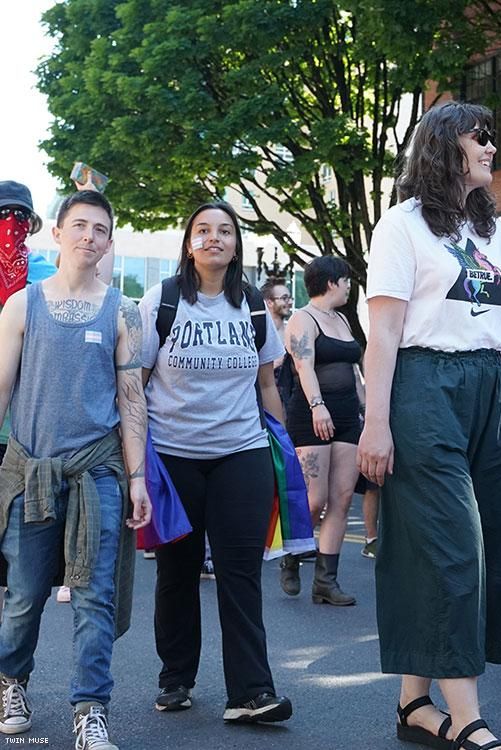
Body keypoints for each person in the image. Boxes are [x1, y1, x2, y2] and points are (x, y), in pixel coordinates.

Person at [357, 101, 501, 750]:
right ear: (443, 147)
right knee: (451, 547)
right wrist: (375, 424)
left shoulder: (492, 230)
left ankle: (413, 703)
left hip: (487, 387)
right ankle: (467, 720)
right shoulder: (401, 227)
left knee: (485, 550)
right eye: (479, 137)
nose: (492, 147)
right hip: (423, 385)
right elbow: (381, 332)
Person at [0, 189, 151, 750]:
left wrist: (138, 478)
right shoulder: (21, 305)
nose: (89, 236)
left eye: (100, 229)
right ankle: (10, 679)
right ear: (57, 234)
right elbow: (1, 388)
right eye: (79, 225)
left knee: (95, 596)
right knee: (24, 594)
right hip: (31, 472)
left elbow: (131, 397)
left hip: (99, 473)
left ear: (110, 242)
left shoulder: (124, 311)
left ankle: (91, 709)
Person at [139, 201, 292, 721]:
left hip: (241, 453)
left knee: (240, 573)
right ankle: (176, 679)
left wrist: (286, 457)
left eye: (224, 231)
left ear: (235, 244)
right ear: (188, 243)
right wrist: (132, 461)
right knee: (177, 572)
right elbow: (134, 385)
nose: (213, 238)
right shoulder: (160, 302)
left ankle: (250, 692)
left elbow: (267, 384)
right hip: (173, 456)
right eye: (202, 230)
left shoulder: (251, 305)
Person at [279, 255, 361, 606]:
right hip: (313, 414)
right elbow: (304, 365)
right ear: (331, 282)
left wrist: (369, 411)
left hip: (346, 415)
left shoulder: (342, 319)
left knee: (341, 499)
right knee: (315, 499)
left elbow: (355, 371)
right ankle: (292, 555)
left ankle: (325, 582)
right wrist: (317, 406)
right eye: (346, 280)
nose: (349, 286)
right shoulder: (302, 318)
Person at [0, 181, 56, 466]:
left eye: (20, 215)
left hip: (26, 426)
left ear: (31, 224)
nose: (11, 222)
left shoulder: (45, 272)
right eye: (3, 214)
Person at [261, 277, 293, 371]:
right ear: (269, 302)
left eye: (290, 298)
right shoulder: (259, 332)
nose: (290, 302)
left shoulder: (292, 331)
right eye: (285, 298)